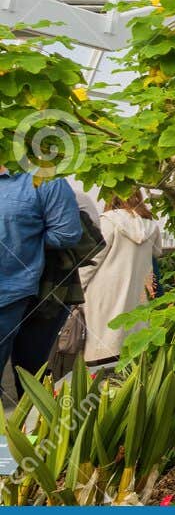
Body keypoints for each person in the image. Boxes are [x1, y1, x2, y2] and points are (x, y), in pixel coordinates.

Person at [0, 167, 83, 389]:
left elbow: (67, 233)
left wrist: (24, 243)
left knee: (30, 375)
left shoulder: (45, 177)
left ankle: (31, 410)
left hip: (20, 291)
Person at [82, 191, 163, 367]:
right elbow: (157, 252)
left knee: (102, 346)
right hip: (137, 294)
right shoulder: (151, 226)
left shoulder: (107, 222)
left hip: (104, 295)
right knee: (131, 344)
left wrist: (77, 288)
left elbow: (90, 261)